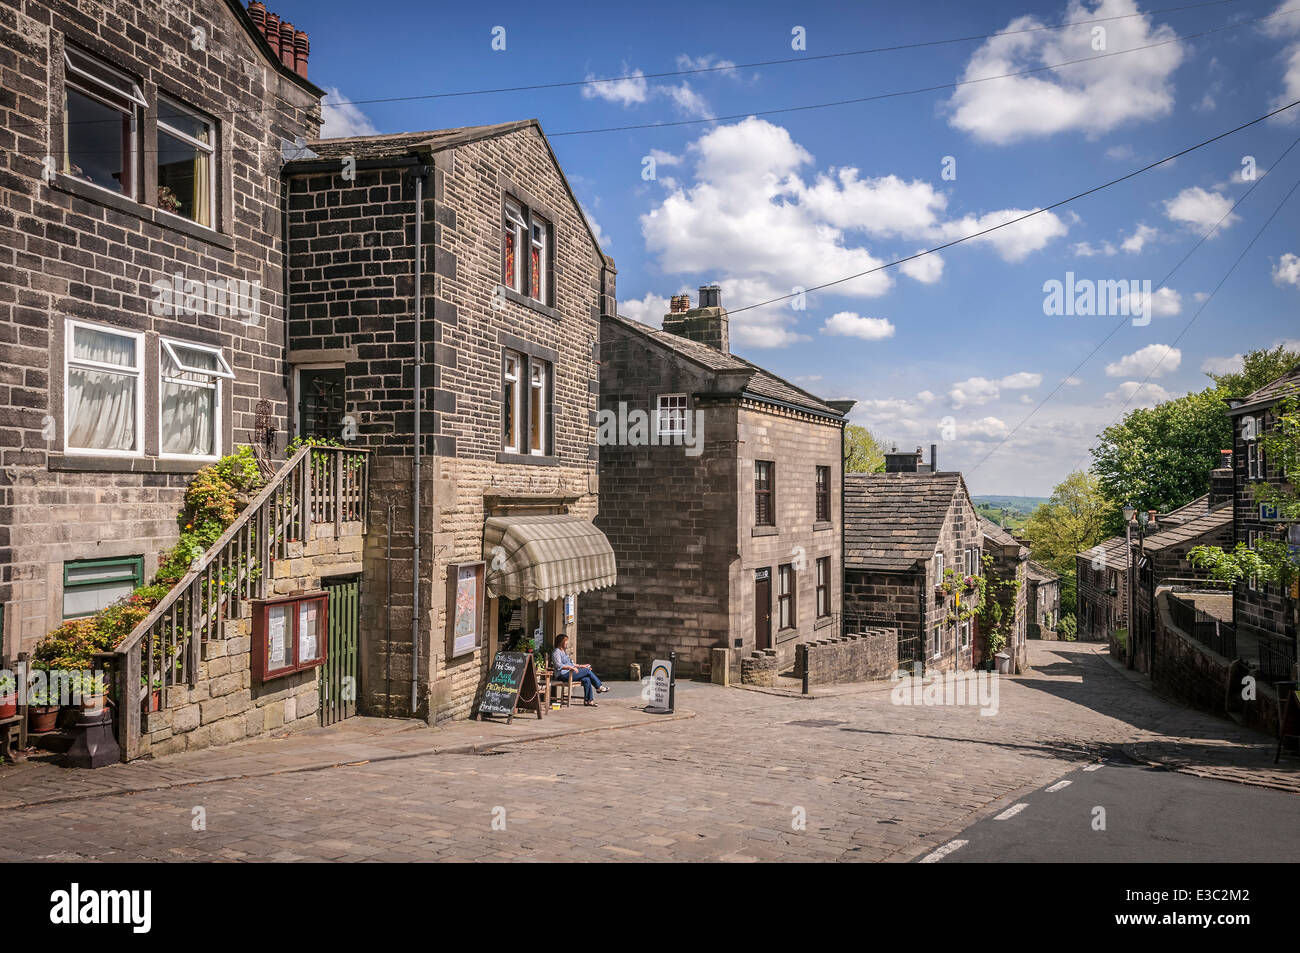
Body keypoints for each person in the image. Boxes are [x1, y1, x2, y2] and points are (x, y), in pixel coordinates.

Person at [551, 633, 608, 706]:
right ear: (561, 642)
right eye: (566, 641)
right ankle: (599, 687)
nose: (567, 643)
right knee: (587, 671)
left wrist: (581, 666)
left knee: (587, 679)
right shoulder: (556, 652)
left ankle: (589, 701)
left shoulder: (563, 651)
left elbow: (571, 663)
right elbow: (558, 665)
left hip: (569, 673)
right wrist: (570, 668)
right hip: (562, 675)